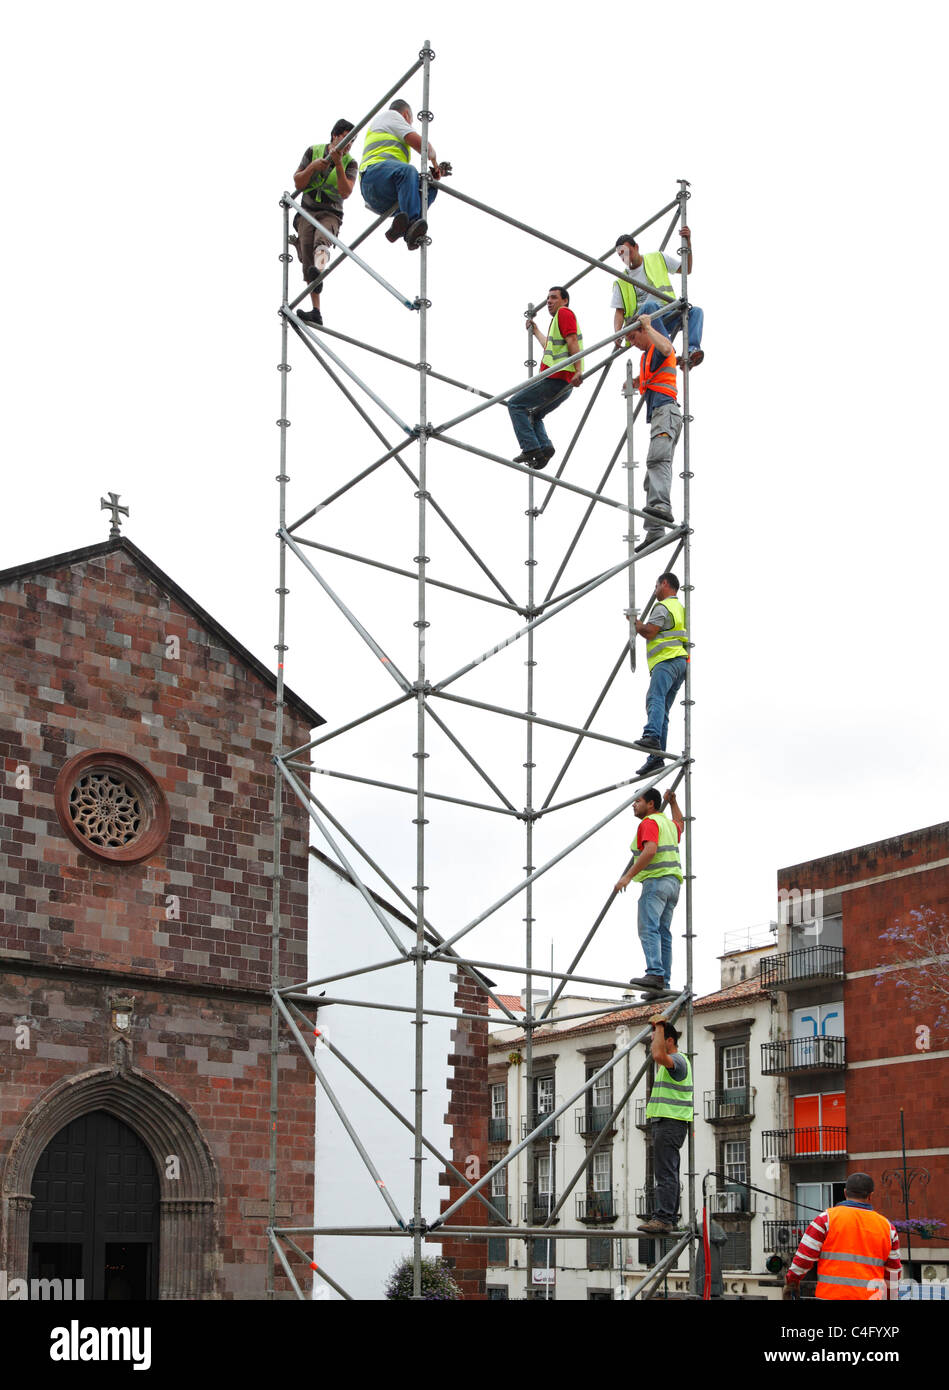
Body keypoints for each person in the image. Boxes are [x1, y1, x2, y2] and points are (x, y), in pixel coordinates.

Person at [784, 1173, 902, 1300]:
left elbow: (803, 1258)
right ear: (870, 1196)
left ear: (845, 1192)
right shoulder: (888, 1228)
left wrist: (792, 1283)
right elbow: (893, 1273)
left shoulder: (826, 1220)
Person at [614, 785, 684, 992]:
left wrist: (627, 877)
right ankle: (663, 981)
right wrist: (673, 802)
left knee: (649, 929)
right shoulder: (667, 823)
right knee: (663, 932)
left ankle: (655, 973)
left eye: (638, 801)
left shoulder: (650, 822)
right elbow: (681, 824)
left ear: (651, 803)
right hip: (673, 884)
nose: (634, 805)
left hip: (656, 882)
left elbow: (650, 850)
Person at [507, 287, 584, 469]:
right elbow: (549, 346)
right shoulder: (558, 321)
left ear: (564, 300)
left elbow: (572, 340)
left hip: (556, 380)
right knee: (534, 414)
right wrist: (536, 331)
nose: (549, 301)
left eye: (553, 298)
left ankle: (531, 448)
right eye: (548, 298)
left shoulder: (564, 313)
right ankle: (544, 447)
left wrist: (578, 370)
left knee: (516, 404)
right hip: (563, 384)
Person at [625, 313, 682, 551]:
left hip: (666, 412)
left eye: (633, 336)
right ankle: (655, 530)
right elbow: (652, 377)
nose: (632, 343)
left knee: (658, 461)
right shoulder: (647, 357)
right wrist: (637, 381)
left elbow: (668, 348)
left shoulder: (656, 345)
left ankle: (662, 508)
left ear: (642, 331)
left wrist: (648, 326)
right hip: (660, 415)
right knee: (651, 475)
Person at [292, 120, 358, 327]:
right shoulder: (313, 151)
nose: (348, 145)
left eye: (352, 141)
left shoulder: (350, 163)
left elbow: (345, 192)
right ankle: (316, 311)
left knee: (322, 242)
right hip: (307, 211)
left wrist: (338, 164)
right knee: (307, 262)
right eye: (346, 139)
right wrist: (313, 167)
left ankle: (319, 274)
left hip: (331, 213)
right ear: (335, 136)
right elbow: (298, 182)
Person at [358, 99, 445, 250]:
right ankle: (412, 225)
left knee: (430, 186)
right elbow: (424, 147)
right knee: (408, 171)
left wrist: (433, 174)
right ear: (406, 115)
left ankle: (405, 229)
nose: (409, 126)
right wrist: (435, 161)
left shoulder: (390, 126)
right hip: (373, 177)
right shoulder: (391, 116)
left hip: (387, 198)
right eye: (410, 122)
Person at [612, 231, 704, 367]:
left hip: (667, 313)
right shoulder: (621, 281)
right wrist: (618, 333)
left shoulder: (657, 258)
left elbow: (686, 269)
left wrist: (688, 242)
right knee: (650, 306)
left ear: (636, 247)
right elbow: (619, 312)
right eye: (621, 255)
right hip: (644, 324)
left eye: (628, 252)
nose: (625, 257)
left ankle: (691, 352)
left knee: (696, 312)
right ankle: (667, 349)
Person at [637, 1020, 692, 1236]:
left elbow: (659, 1055)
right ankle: (667, 1217)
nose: (653, 1046)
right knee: (668, 1171)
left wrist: (659, 1026)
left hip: (670, 1122)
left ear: (669, 1040)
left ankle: (663, 1218)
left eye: (657, 1041)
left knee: (665, 1172)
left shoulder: (677, 1060)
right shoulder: (672, 1064)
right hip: (669, 1122)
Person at [633, 572, 688, 778]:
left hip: (666, 661)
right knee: (662, 709)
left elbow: (650, 631)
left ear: (665, 583)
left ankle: (652, 736)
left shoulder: (663, 606)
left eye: (656, 585)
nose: (655, 590)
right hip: (680, 663)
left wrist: (636, 623)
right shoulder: (681, 609)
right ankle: (656, 757)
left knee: (654, 699)